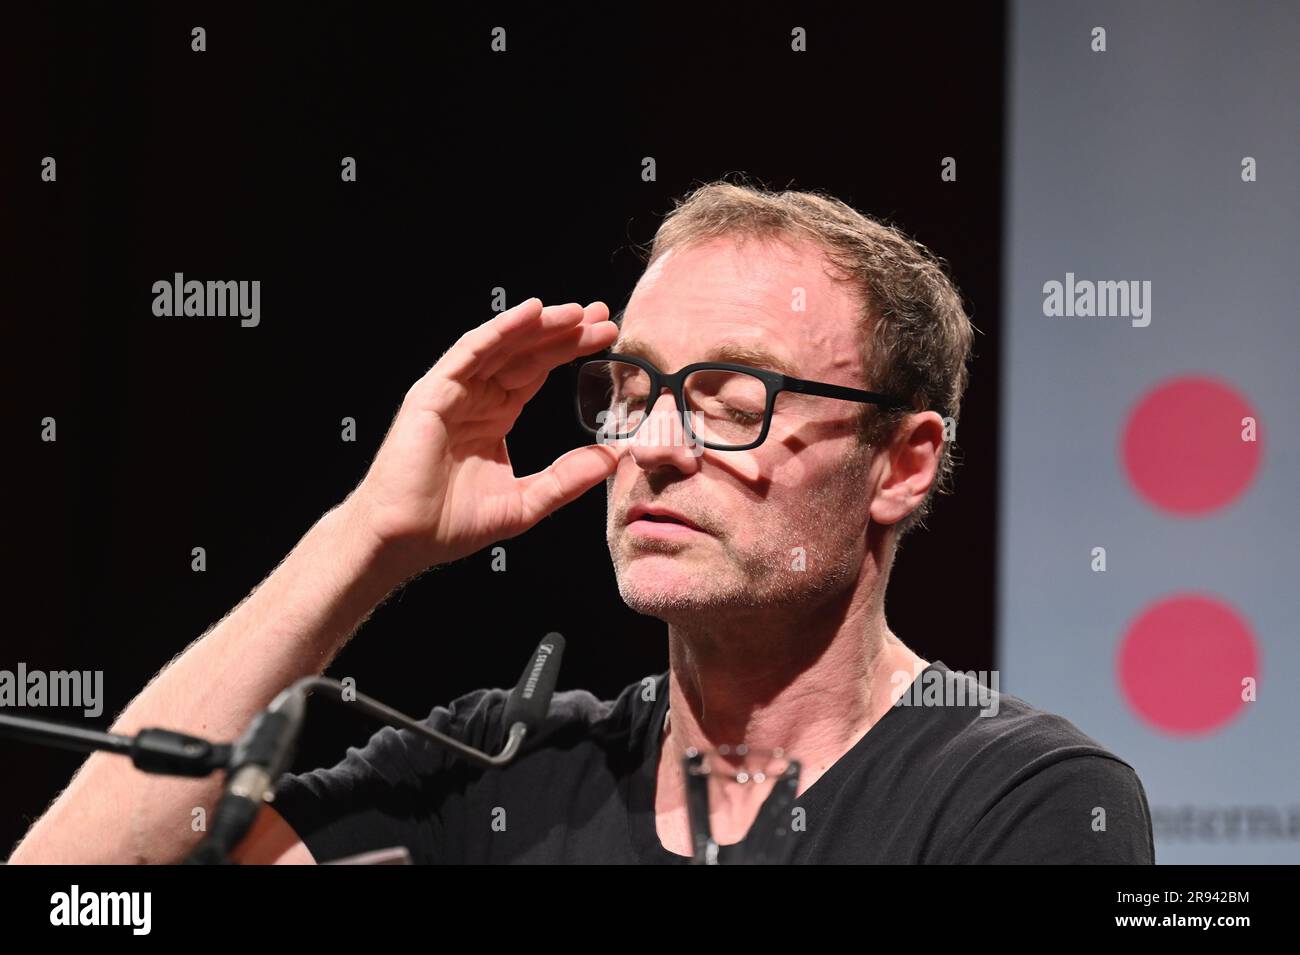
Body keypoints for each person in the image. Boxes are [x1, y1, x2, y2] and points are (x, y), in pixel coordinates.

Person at [9, 181, 1154, 865]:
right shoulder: (497, 768)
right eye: (634, 387)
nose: (652, 442)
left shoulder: (1022, 801)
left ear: (899, 464)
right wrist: (366, 540)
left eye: (729, 397)